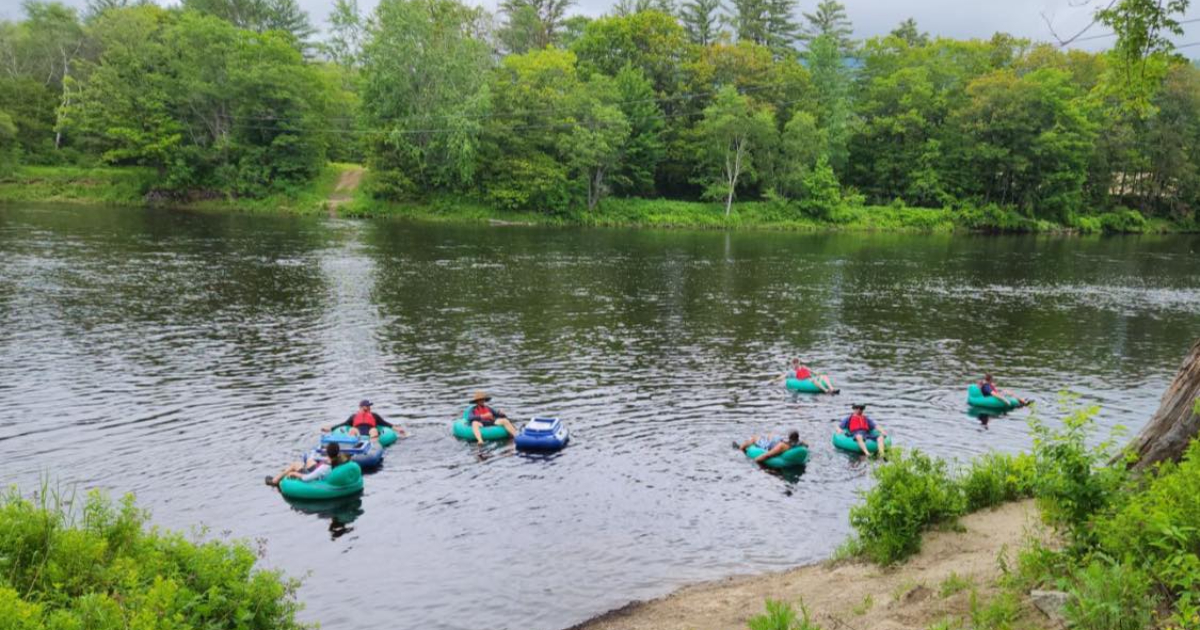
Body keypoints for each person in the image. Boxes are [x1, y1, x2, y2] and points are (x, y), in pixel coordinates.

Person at [266, 442, 348, 487]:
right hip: (322, 472)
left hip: (318, 477)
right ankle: (304, 465)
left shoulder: (325, 467)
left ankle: (275, 481)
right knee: (310, 460)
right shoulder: (340, 460)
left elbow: (306, 478)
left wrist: (294, 473)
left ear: (327, 453)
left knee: (295, 465)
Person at [323, 399, 406, 441]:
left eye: (369, 406)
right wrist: (331, 428)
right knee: (352, 430)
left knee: (374, 430)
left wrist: (398, 429)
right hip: (358, 432)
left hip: (370, 431)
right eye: (367, 406)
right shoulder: (354, 416)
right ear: (361, 407)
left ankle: (373, 447)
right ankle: (352, 447)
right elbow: (343, 424)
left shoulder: (374, 415)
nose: (369, 407)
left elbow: (386, 424)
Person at [737, 430, 806, 464]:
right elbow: (806, 445)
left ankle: (739, 448)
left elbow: (767, 455)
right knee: (771, 434)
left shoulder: (782, 446)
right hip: (777, 440)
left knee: (754, 438)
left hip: (771, 445)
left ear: (789, 437)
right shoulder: (800, 443)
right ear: (797, 438)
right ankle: (767, 437)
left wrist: (753, 461)